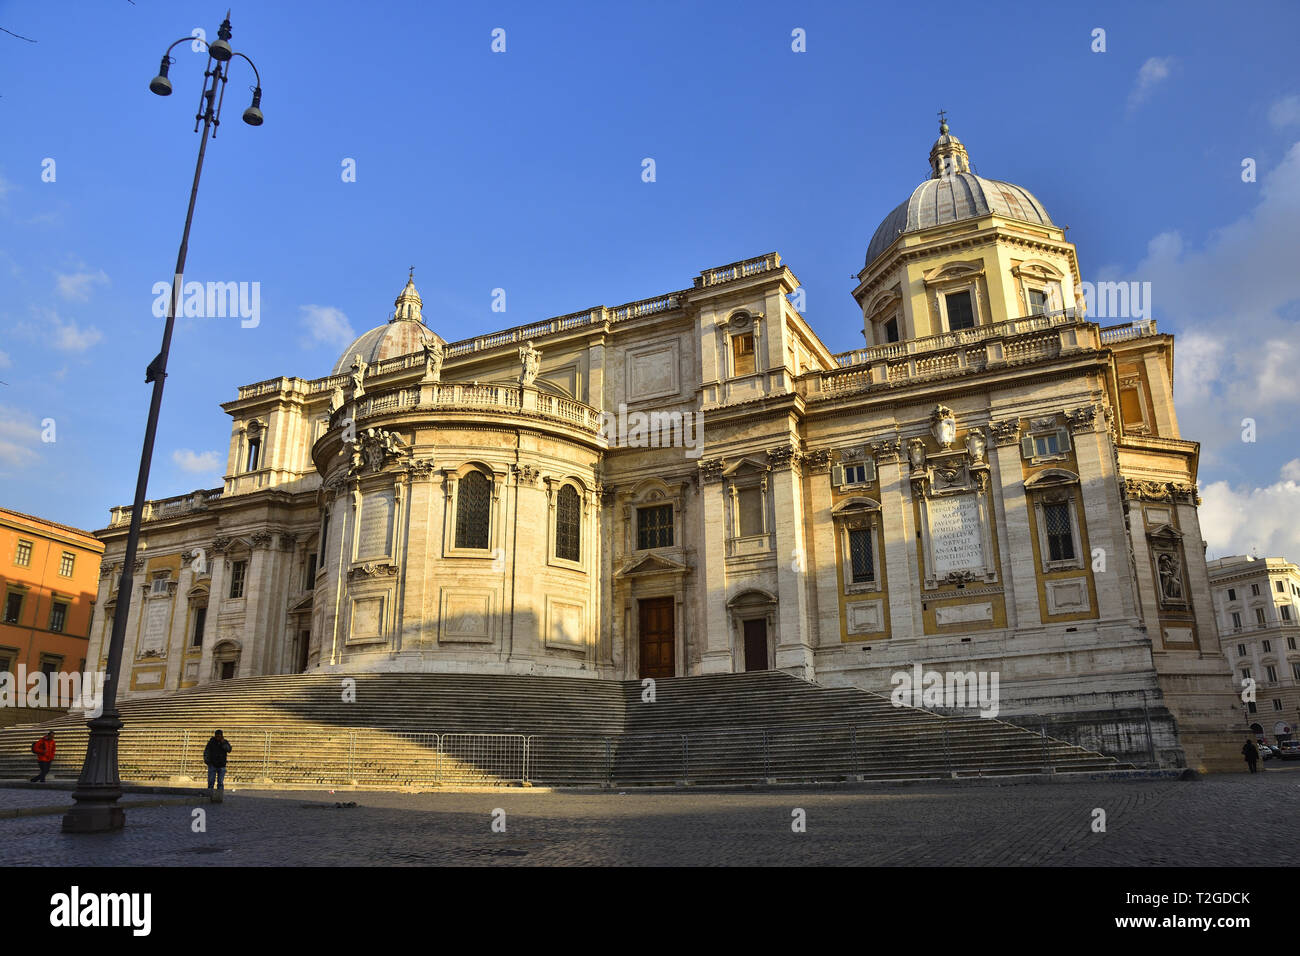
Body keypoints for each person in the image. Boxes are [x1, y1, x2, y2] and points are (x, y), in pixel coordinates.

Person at [203, 729, 232, 796]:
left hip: (221, 765)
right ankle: (209, 795)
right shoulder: (211, 742)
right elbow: (206, 751)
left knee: (220, 782)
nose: (218, 737)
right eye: (217, 736)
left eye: (219, 736)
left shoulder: (225, 742)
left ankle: (219, 796)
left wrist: (223, 743)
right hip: (212, 764)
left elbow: (229, 749)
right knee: (211, 782)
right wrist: (207, 761)